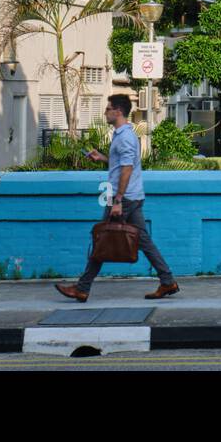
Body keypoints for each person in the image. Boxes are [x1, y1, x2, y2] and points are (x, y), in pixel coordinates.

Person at [57, 94, 179, 302]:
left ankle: (82, 288)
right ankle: (167, 281)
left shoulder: (125, 138)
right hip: (132, 196)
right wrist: (103, 157)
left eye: (108, 108)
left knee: (102, 238)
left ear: (118, 112)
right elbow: (121, 164)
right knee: (143, 241)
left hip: (125, 198)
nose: (105, 112)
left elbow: (127, 169)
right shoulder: (122, 135)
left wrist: (118, 201)